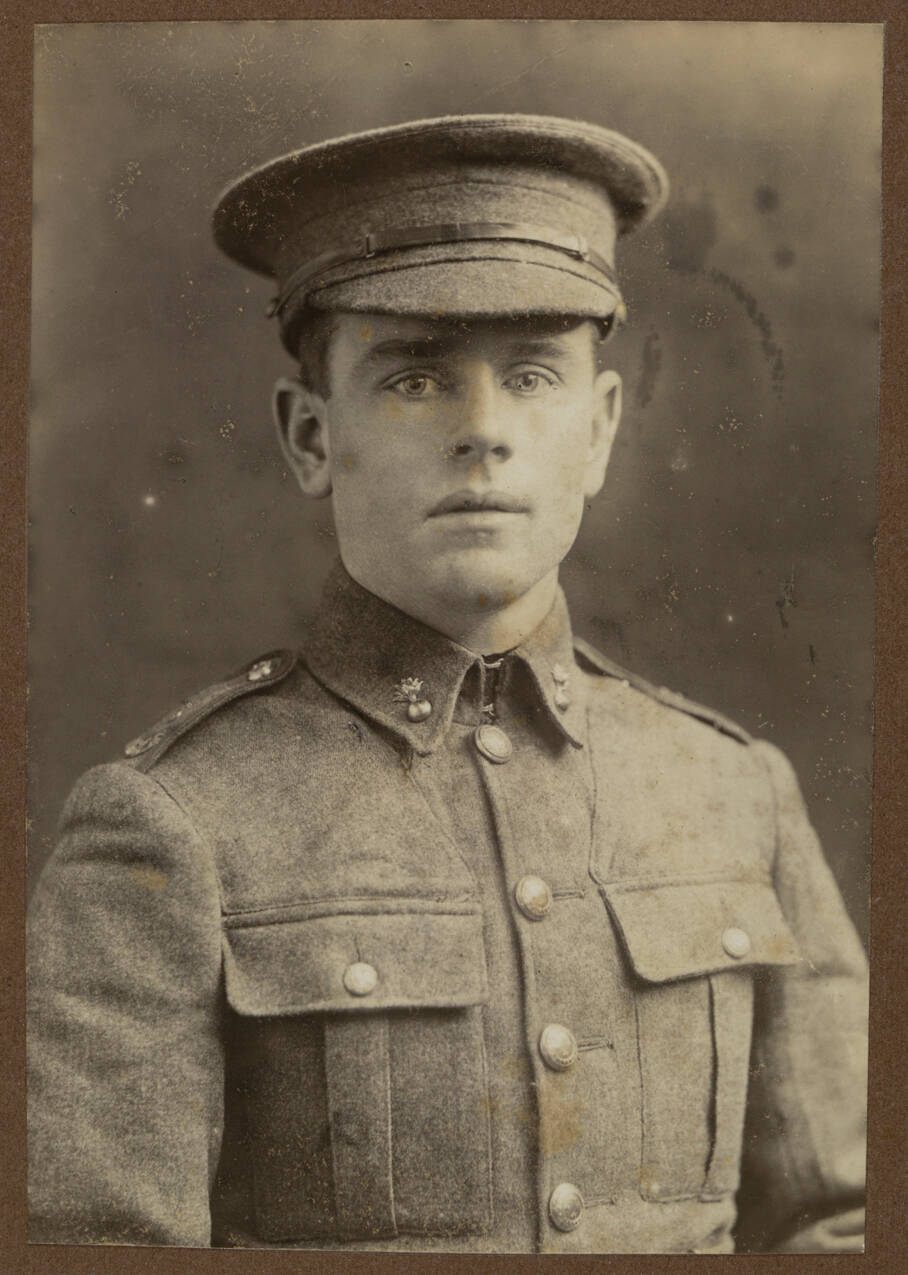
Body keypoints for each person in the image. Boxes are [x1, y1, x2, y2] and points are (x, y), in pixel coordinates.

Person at [27, 113, 867, 1254]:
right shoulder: (173, 826)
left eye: (531, 375)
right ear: (311, 438)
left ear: (601, 431)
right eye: (415, 377)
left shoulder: (733, 794)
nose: (484, 434)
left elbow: (845, 1224)